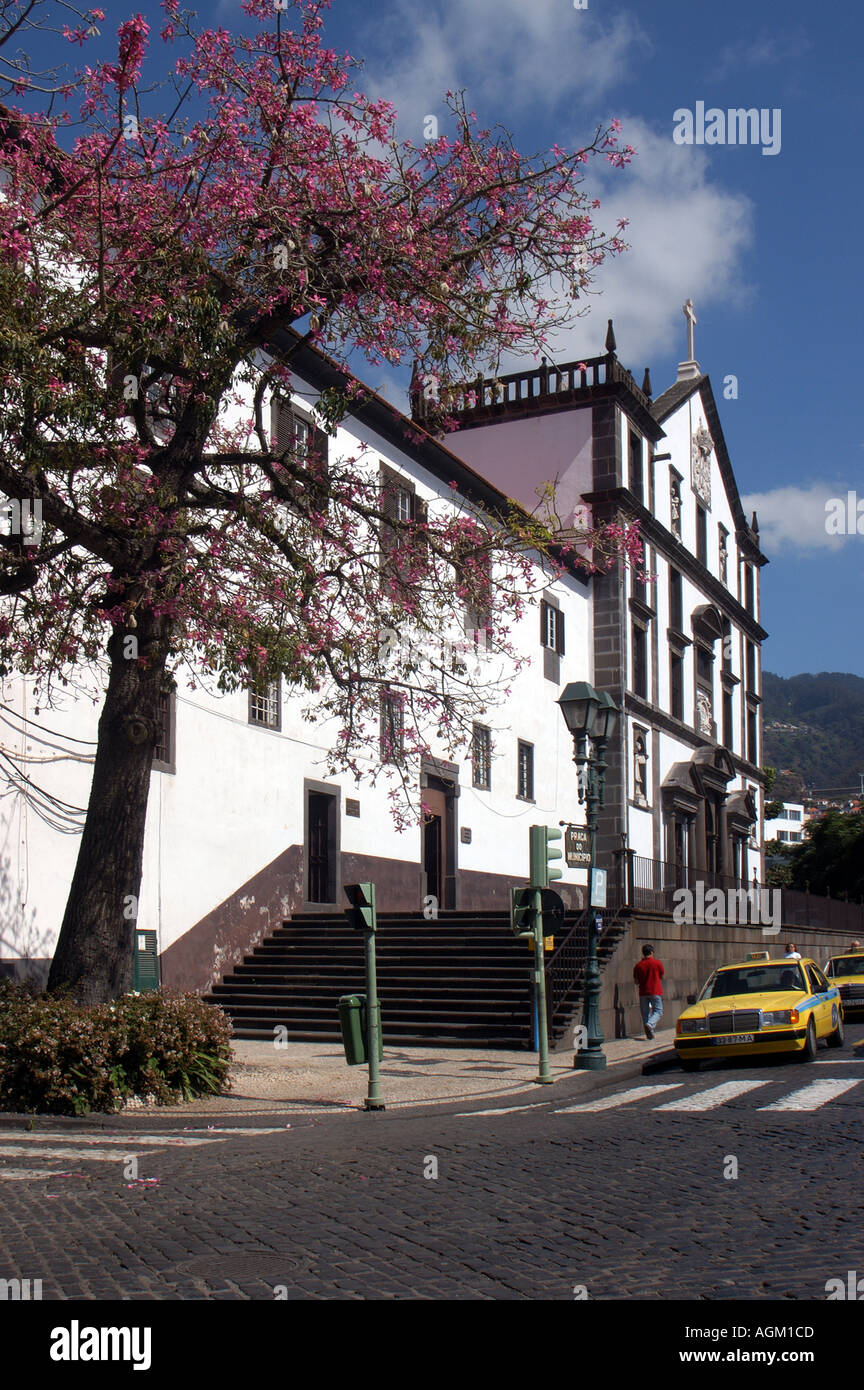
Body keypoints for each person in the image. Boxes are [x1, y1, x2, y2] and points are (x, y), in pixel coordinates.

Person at [633, 944, 665, 1040]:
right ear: (651, 952)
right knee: (658, 1011)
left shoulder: (638, 965)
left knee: (645, 1013)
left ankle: (649, 1034)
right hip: (655, 991)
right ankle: (650, 1025)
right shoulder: (657, 963)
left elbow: (636, 981)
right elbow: (662, 976)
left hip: (643, 992)